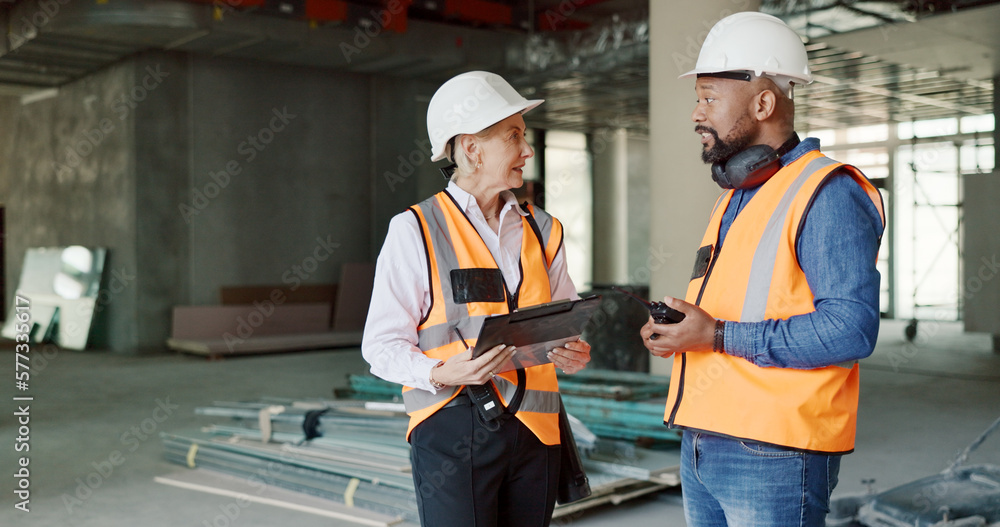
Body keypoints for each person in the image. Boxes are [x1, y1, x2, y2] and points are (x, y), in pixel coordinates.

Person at [641, 12, 886, 527]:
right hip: (703, 439)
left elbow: (851, 328)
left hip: (774, 451)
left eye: (709, 96)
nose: (695, 113)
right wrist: (684, 331)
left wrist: (719, 336)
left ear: (764, 102)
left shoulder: (827, 192)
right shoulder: (739, 196)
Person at [362, 70, 592, 527]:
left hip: (536, 431)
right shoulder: (416, 229)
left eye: (525, 137)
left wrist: (574, 350)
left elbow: (564, 320)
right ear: (471, 148)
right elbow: (380, 345)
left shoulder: (545, 230)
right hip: (453, 430)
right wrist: (440, 370)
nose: (527, 151)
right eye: (514, 137)